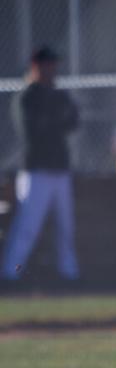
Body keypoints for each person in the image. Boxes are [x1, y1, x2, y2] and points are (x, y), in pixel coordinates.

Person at [1, 47, 80, 284]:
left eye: (53, 65)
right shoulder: (27, 96)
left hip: (60, 168)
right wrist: (54, 122)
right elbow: (31, 132)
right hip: (36, 170)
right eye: (47, 65)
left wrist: (51, 122)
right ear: (35, 66)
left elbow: (73, 122)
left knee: (66, 226)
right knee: (28, 226)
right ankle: (10, 275)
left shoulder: (58, 94)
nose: (51, 70)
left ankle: (69, 274)